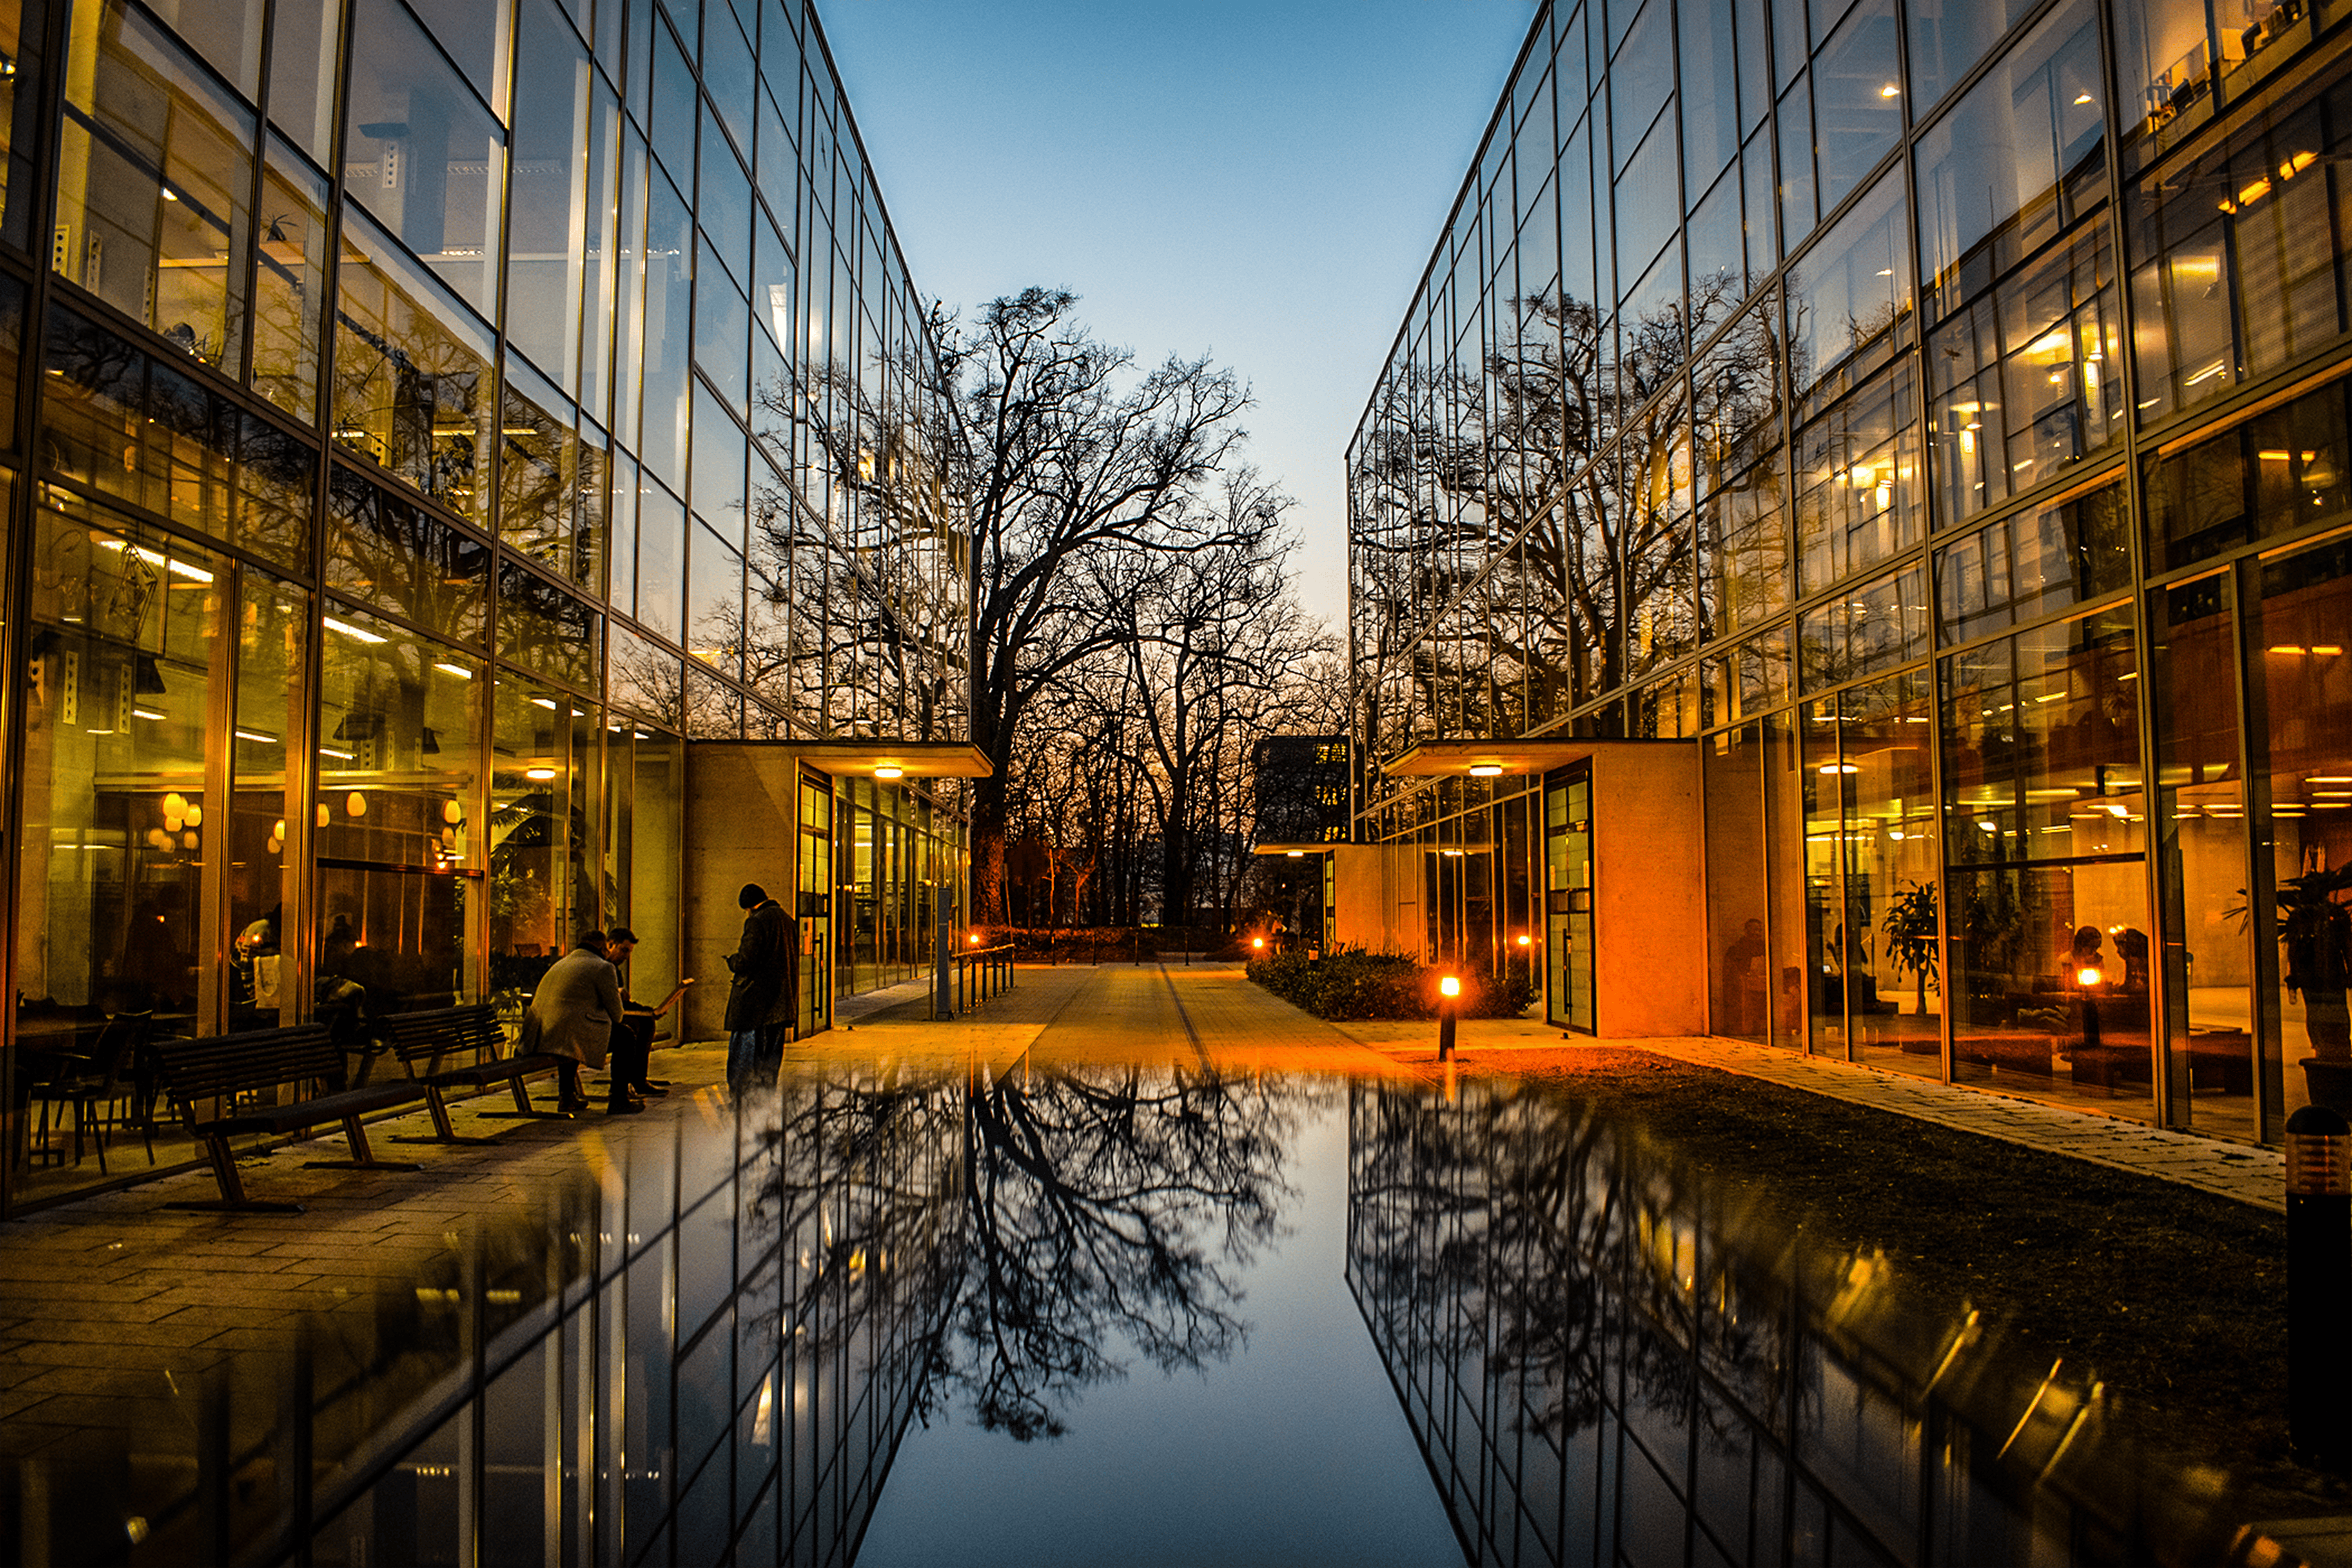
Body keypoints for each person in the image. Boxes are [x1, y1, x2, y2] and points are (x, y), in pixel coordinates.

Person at [520, 931, 631, 1114]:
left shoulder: (562, 963)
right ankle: (619, 1099)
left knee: (573, 1035)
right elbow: (617, 1015)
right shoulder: (603, 967)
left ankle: (567, 1096)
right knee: (625, 1036)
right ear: (604, 949)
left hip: (538, 1036)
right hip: (561, 1037)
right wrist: (618, 996)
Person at [724, 883, 795, 1096]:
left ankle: (743, 1100)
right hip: (781, 1001)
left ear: (750, 907)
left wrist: (732, 962)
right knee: (771, 1058)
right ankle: (765, 1100)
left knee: (746, 1056)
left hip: (755, 1004)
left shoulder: (756, 922)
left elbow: (746, 960)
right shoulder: (787, 920)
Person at [602, 926, 681, 1110]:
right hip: (602, 1020)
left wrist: (649, 1012)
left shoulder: (614, 969)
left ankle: (638, 1080)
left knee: (646, 1021)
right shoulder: (603, 968)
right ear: (610, 945)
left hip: (612, 1015)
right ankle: (621, 1092)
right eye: (624, 950)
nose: (627, 956)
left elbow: (621, 1003)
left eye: (629, 952)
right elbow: (613, 1005)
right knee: (629, 1031)